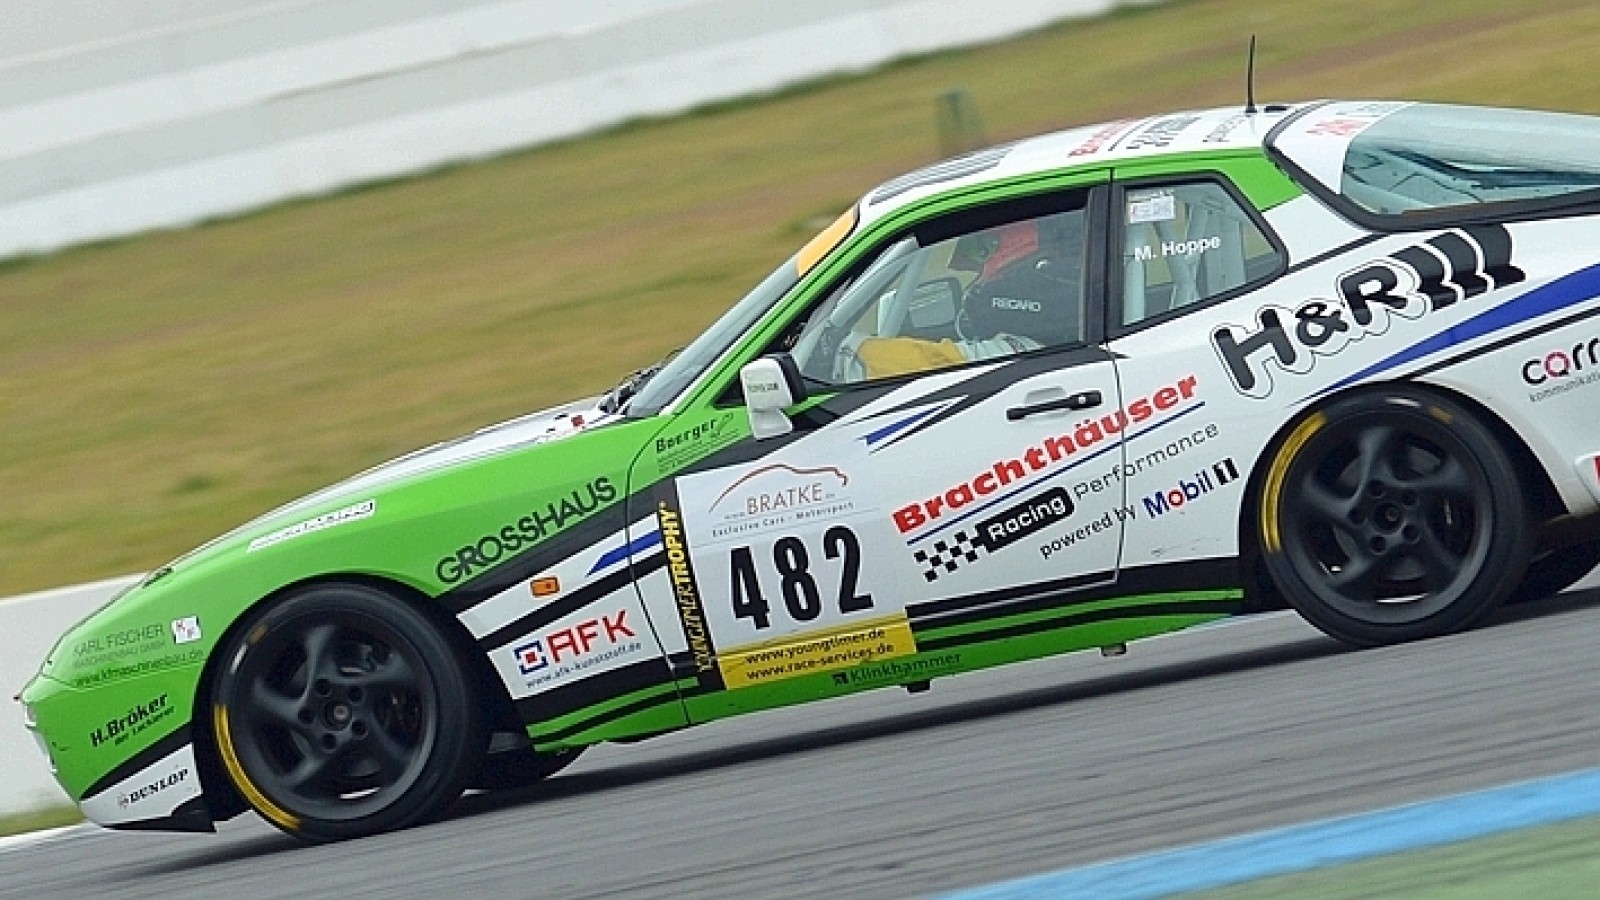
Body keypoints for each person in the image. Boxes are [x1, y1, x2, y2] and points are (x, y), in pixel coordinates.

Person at [844, 213, 1083, 380]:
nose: (979, 283)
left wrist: (844, 352)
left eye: (989, 254)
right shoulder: (1068, 334)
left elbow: (933, 361)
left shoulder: (1025, 348)